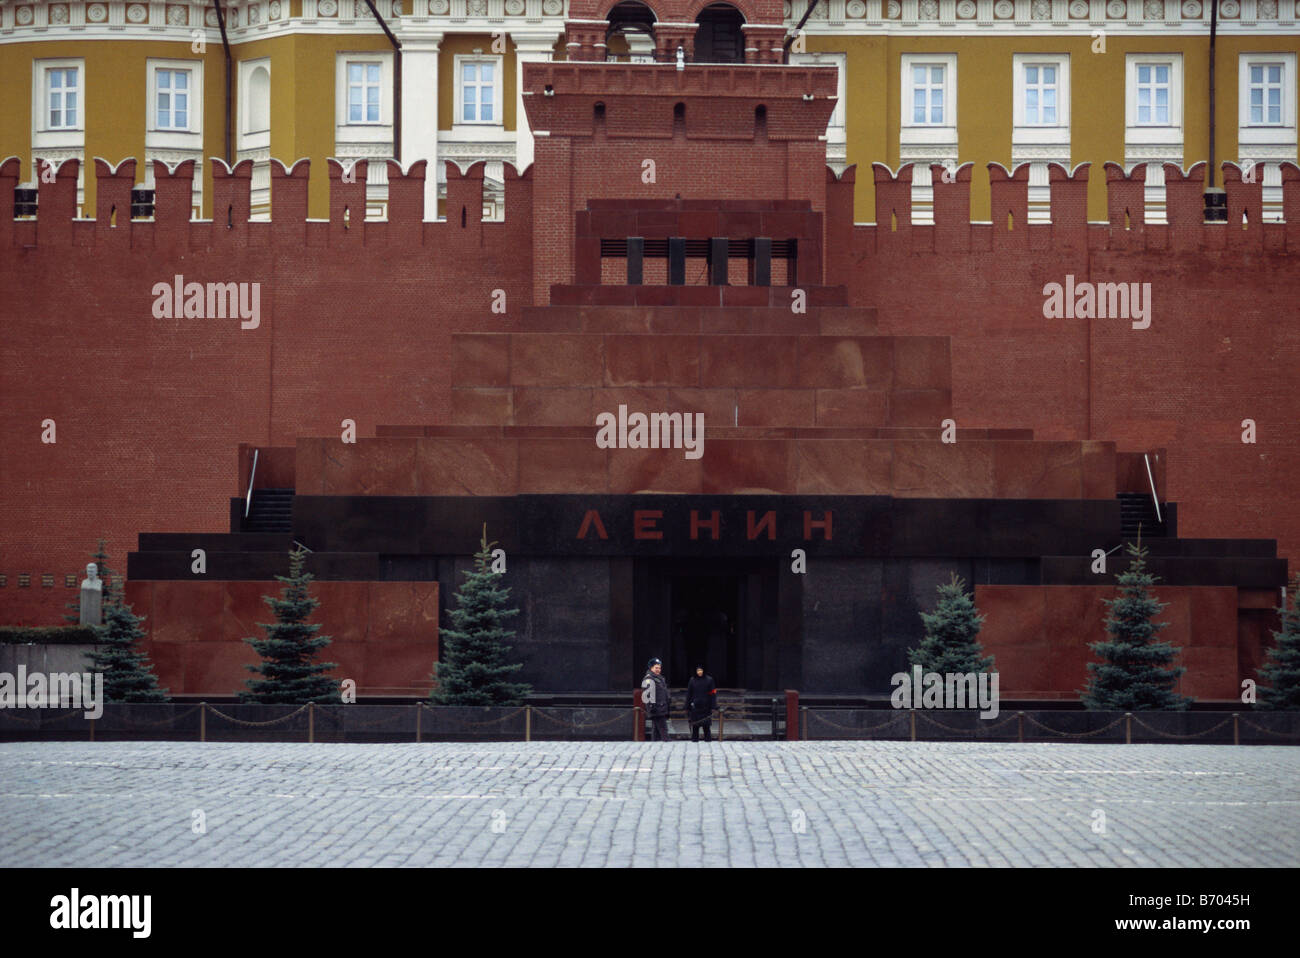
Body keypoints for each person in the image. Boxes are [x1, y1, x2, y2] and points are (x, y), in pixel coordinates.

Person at [685, 665, 717, 742]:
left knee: (706, 727)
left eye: (701, 670)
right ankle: (695, 741)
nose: (699, 672)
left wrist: (713, 705)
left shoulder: (709, 680)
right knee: (695, 727)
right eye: (698, 670)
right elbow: (689, 693)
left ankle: (708, 741)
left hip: (706, 706)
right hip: (695, 707)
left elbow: (713, 693)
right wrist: (687, 706)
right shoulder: (692, 680)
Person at [641, 658, 670, 742]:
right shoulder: (648, 679)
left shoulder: (660, 678)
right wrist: (651, 709)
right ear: (651, 668)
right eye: (656, 668)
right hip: (656, 709)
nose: (658, 670)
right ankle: (667, 745)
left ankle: (654, 746)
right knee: (664, 731)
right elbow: (647, 697)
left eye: (659, 668)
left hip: (661, 708)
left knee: (656, 731)